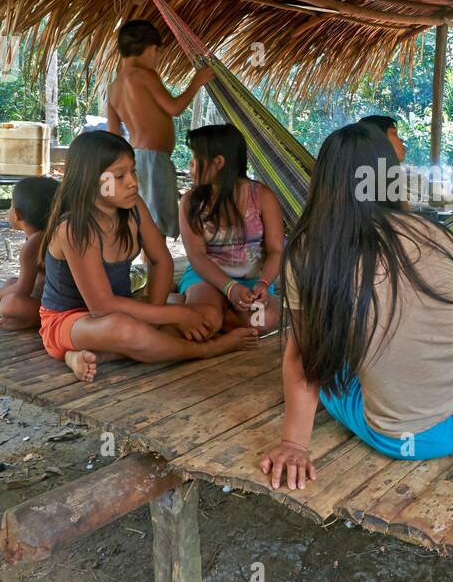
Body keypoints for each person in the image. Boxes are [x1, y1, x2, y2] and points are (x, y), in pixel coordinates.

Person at [260, 124, 453, 491]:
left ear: (323, 181)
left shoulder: (310, 254)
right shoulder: (437, 234)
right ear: (392, 176)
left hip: (412, 439)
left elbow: (304, 359)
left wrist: (294, 444)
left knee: (332, 369)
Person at [38, 130, 253, 383]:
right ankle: (204, 350)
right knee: (125, 329)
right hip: (69, 321)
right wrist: (174, 316)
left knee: (206, 316)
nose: (132, 182)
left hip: (121, 309)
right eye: (119, 176)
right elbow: (102, 307)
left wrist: (155, 308)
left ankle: (94, 354)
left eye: (133, 172)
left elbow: (161, 261)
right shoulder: (75, 228)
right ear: (91, 180)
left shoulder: (133, 208)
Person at [106, 19, 214, 238]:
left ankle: (149, 267)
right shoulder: (146, 75)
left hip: (134, 159)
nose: (157, 58)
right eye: (157, 52)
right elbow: (174, 108)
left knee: (145, 220)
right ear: (150, 49)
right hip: (154, 159)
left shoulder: (114, 87)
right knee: (157, 227)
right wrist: (197, 81)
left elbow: (112, 134)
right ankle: (154, 268)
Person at [178, 124, 284, 335]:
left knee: (262, 321)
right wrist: (229, 288)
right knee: (206, 321)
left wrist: (263, 284)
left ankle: (198, 309)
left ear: (218, 162)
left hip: (253, 281)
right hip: (207, 277)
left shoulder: (262, 196)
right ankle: (209, 307)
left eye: (195, 157)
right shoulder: (191, 201)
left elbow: (276, 251)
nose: (190, 164)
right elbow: (197, 256)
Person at [0, 176, 59, 330]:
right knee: (11, 281)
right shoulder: (48, 234)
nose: (8, 210)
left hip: (51, 308)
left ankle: (27, 319)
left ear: (18, 214)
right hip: (42, 298)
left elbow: (23, 289)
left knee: (9, 303)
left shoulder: (34, 243)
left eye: (10, 206)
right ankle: (3, 312)